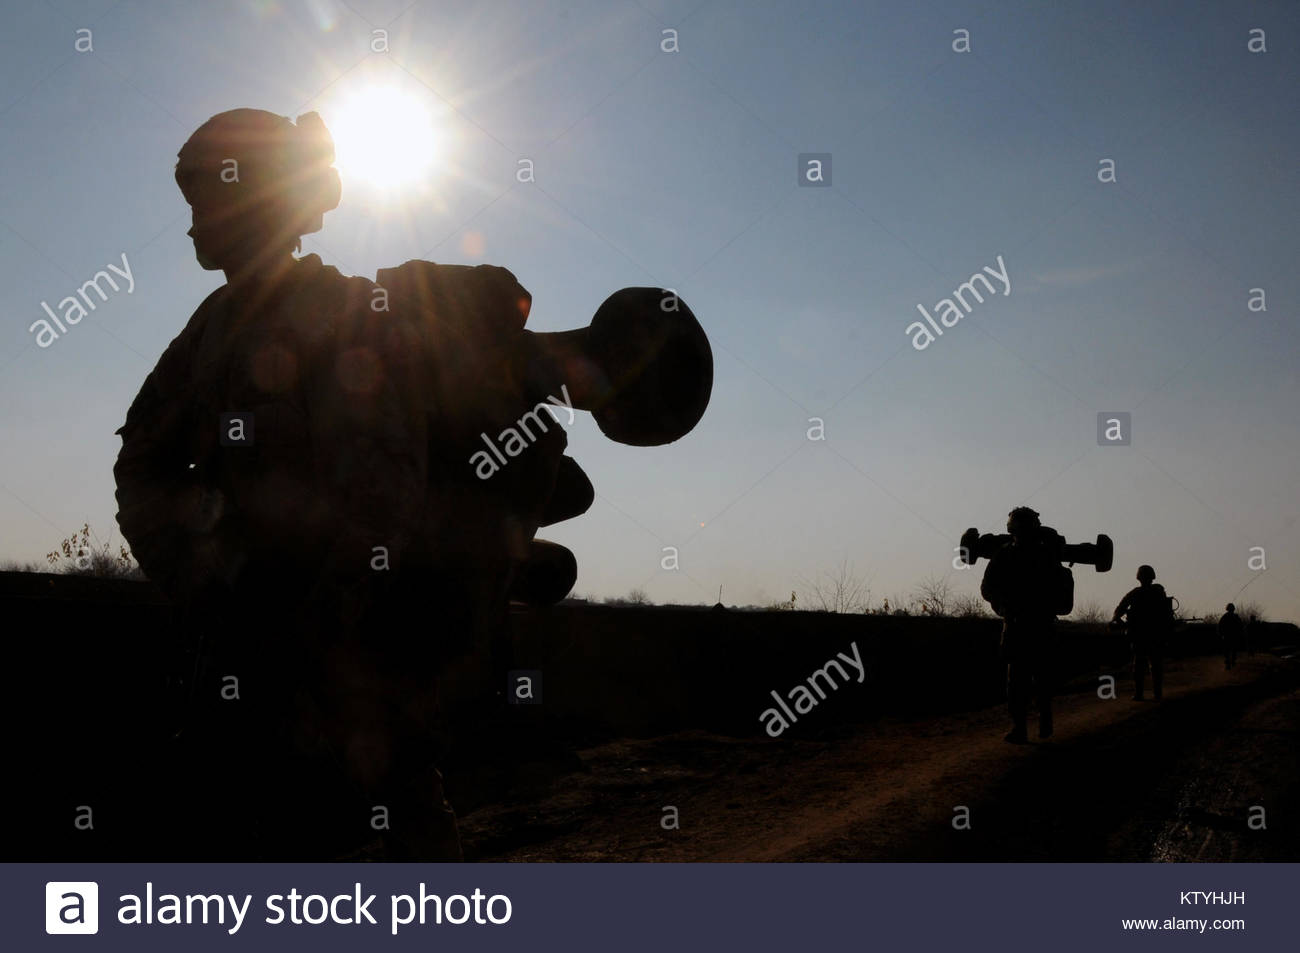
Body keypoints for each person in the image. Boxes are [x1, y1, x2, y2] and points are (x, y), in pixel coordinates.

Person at [113, 108, 502, 859]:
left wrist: (322, 621)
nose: (193, 226)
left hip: (354, 665)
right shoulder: (213, 329)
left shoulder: (342, 312)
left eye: (206, 201)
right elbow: (141, 461)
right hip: (247, 654)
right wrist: (200, 575)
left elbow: (387, 490)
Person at [980, 507, 1067, 744]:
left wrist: (1003, 606)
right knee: (1028, 679)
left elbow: (988, 589)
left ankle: (1032, 722)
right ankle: (1029, 723)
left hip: (1028, 626)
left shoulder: (1014, 555)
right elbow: (988, 589)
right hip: (1029, 625)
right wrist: (1003, 607)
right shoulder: (1037, 554)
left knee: (1029, 679)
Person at [1111, 565, 1171, 700]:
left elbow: (1119, 610)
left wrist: (1119, 621)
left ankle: (1139, 694)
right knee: (1155, 665)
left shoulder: (1135, 593)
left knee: (1139, 665)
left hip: (1139, 635)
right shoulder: (1159, 591)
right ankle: (1157, 694)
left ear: (1139, 577)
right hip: (1154, 635)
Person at [1217, 603, 1244, 670]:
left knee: (1227, 650)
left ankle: (1228, 662)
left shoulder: (1225, 616)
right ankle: (1232, 661)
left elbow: (1220, 626)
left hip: (1227, 636)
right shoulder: (1236, 617)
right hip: (1234, 636)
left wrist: (1221, 634)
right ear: (1233, 609)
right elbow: (1240, 626)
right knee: (1233, 649)